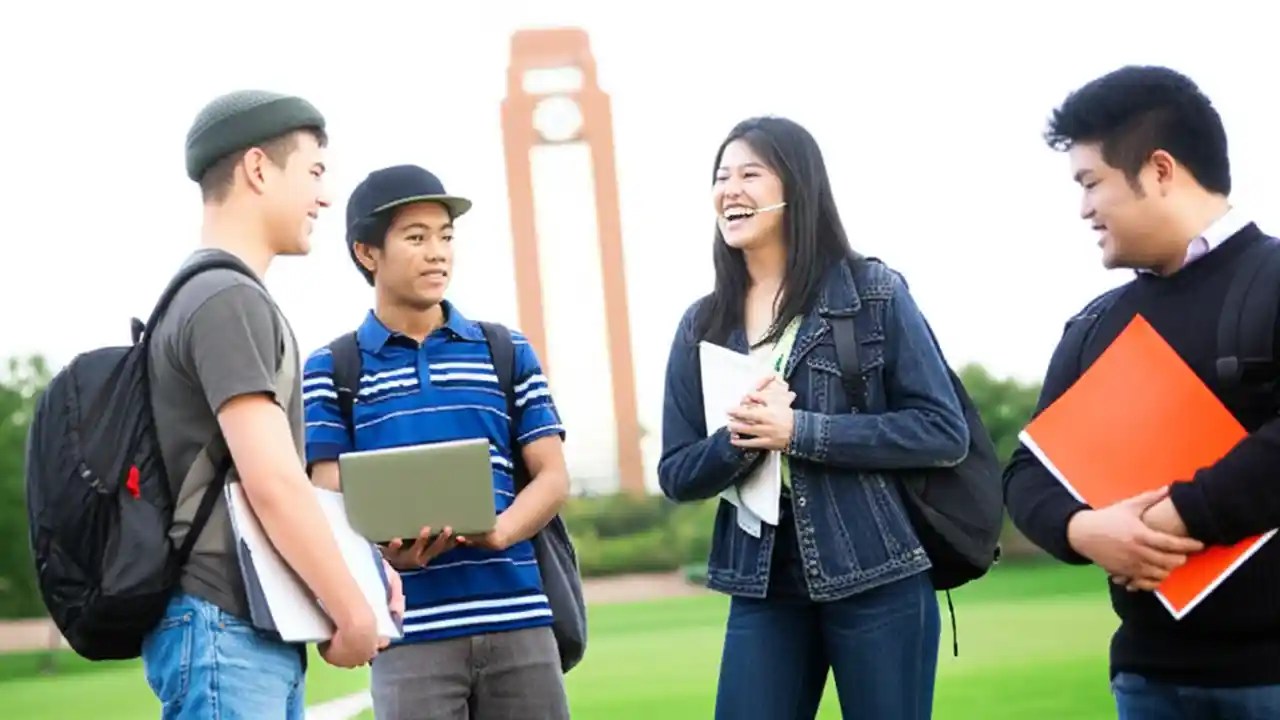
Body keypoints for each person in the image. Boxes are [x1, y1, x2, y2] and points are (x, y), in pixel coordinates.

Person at [657, 116, 969, 720]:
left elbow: (941, 429)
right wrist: (740, 441)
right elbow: (676, 472)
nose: (731, 190)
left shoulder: (872, 293)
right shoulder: (702, 325)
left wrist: (800, 432)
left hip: (877, 572)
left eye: (750, 173)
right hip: (763, 584)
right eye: (722, 177)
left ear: (795, 188)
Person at [1004, 65, 1280, 719]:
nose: (1083, 208)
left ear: (1159, 170)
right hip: (1147, 678)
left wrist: (1178, 515)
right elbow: (1025, 474)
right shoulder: (1094, 326)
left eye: (1090, 182)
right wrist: (1084, 529)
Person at [142, 90, 402, 720]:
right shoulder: (227, 301)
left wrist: (359, 565)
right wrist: (351, 610)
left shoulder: (210, 295)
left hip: (240, 629)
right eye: (314, 172)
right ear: (259, 169)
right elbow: (273, 483)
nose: (325, 196)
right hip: (223, 627)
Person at [302, 164, 573, 720]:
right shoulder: (333, 368)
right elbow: (327, 501)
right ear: (367, 253)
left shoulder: (506, 350)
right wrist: (381, 554)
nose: (438, 253)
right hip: (408, 633)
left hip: (518, 618)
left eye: (446, 237)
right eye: (416, 237)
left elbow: (553, 476)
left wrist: (503, 531)